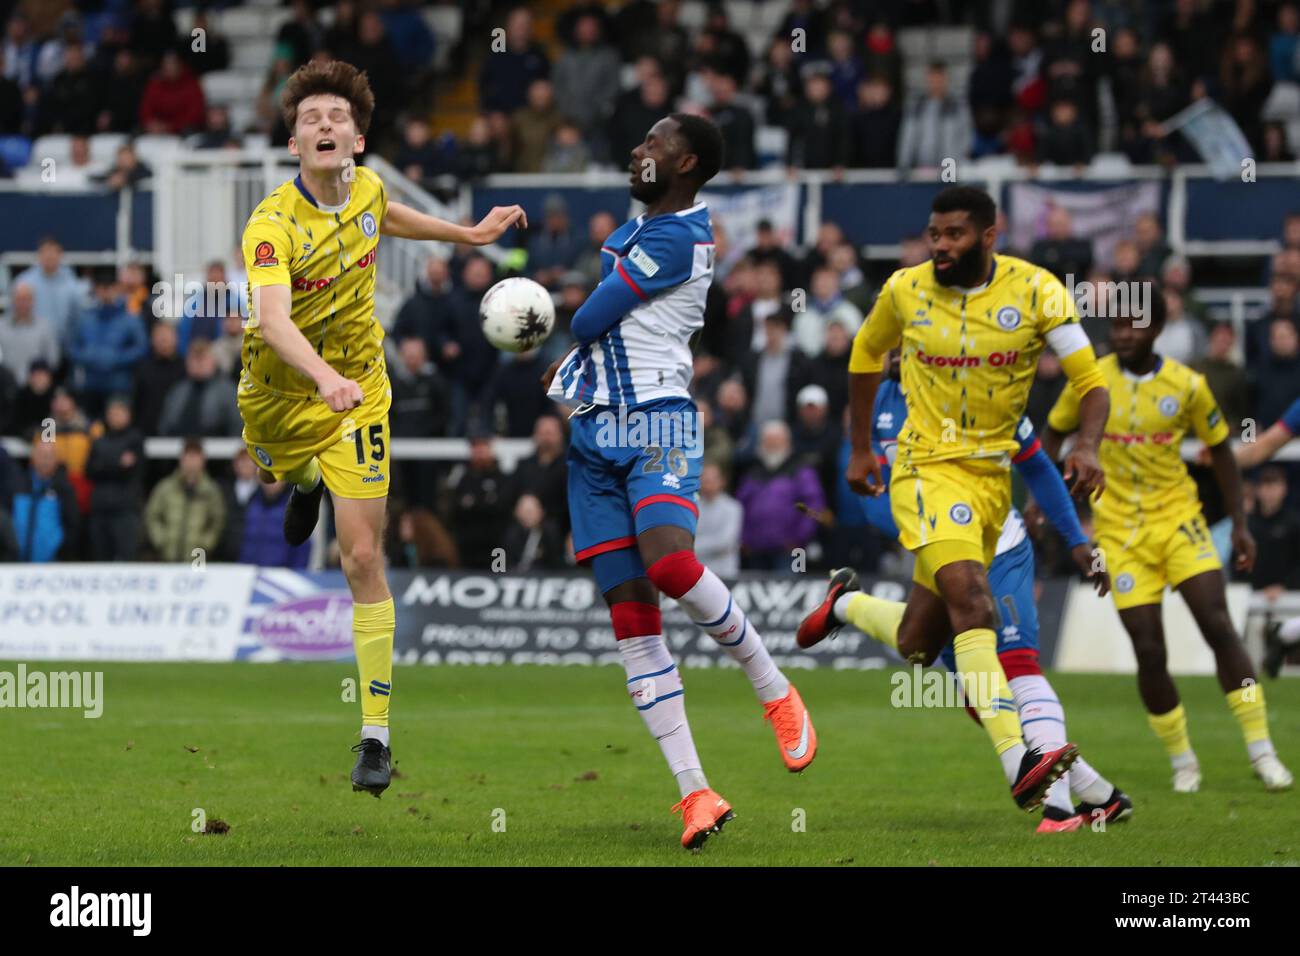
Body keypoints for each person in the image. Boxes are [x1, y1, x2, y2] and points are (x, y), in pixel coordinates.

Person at [237, 59, 525, 796]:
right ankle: (300, 479)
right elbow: (271, 320)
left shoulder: (367, 188)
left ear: (357, 139)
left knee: (362, 559)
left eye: (337, 117)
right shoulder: (271, 225)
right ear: (294, 144)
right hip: (279, 394)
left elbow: (384, 214)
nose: (324, 125)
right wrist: (320, 378)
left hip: (360, 394)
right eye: (310, 119)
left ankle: (374, 736)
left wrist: (465, 235)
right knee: (278, 470)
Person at [542, 114, 816, 851]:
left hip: (657, 421)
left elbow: (593, 316)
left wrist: (563, 328)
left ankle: (772, 687)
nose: (639, 151)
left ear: (686, 162)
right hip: (595, 431)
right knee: (633, 621)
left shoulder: (677, 236)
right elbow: (609, 334)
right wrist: (576, 372)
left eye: (654, 144)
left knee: (668, 560)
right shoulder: (636, 230)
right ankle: (695, 792)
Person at [840, 185, 1111, 813]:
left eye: (955, 235)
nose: (940, 247)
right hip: (925, 468)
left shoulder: (1039, 290)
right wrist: (859, 448)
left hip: (992, 483)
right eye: (935, 234)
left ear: (990, 236)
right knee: (973, 603)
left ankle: (846, 603)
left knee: (916, 639)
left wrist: (1090, 446)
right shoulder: (905, 289)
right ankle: (1021, 759)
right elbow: (863, 353)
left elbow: (1091, 384)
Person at [799, 350, 1130, 832]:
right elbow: (867, 495)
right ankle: (846, 603)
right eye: (886, 343)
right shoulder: (875, 405)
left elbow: (1036, 464)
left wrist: (1077, 540)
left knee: (1014, 667)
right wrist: (926, 530)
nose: (892, 353)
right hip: (939, 548)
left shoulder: (981, 387)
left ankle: (1059, 807)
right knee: (924, 653)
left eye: (903, 338)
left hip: (1001, 546)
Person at [1044, 297, 1292, 793]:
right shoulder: (1090, 380)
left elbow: (1221, 451)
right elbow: (1052, 436)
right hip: (1118, 532)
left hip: (1179, 521)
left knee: (1218, 626)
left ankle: (1261, 750)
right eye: (1116, 325)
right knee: (1149, 648)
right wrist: (1053, 508)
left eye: (1133, 326)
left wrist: (1240, 525)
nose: (1123, 334)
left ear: (1157, 327)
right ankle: (1183, 760)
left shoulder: (1187, 384)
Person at [144, 438, 226, 564]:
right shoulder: (165, 488)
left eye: (195, 457)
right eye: (188, 456)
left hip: (198, 560)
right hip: (166, 557)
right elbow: (152, 515)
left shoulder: (211, 491)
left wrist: (205, 544)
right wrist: (161, 540)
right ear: (181, 459)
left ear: (203, 460)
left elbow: (217, 521)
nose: (192, 462)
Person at [85, 395, 145, 561]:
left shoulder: (135, 439)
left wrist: (104, 464)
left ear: (128, 415)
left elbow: (131, 470)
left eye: (120, 412)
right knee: (100, 559)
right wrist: (117, 464)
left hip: (125, 509)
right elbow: (89, 470)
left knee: (126, 558)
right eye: (112, 412)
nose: (115, 416)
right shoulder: (99, 440)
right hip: (100, 509)